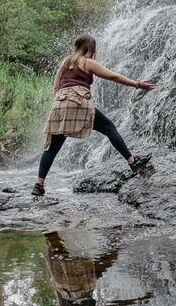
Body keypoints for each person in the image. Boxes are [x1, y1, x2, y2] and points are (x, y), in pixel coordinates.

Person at [33, 34, 155, 197]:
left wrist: (61, 105)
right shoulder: (87, 62)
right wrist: (137, 84)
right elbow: (113, 76)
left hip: (59, 103)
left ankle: (38, 185)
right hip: (78, 101)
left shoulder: (65, 62)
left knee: (53, 147)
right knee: (109, 127)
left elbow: (56, 86)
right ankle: (133, 162)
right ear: (90, 48)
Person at [44, 231, 152, 306]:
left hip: (83, 287)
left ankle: (119, 232)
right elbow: (57, 292)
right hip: (62, 282)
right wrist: (51, 266)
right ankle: (46, 224)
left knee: (113, 253)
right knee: (55, 243)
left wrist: (136, 301)